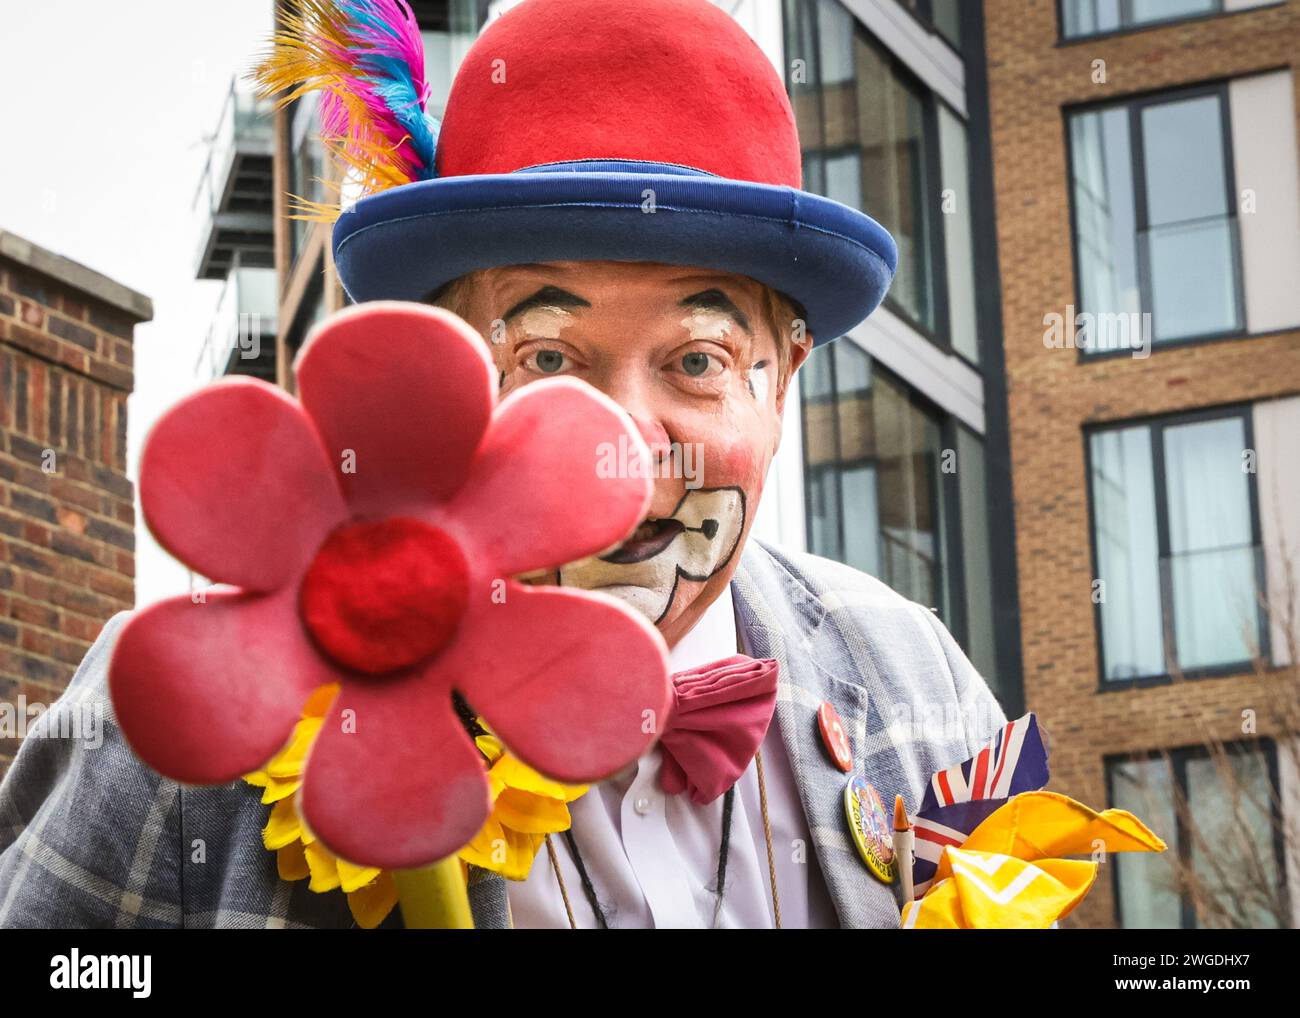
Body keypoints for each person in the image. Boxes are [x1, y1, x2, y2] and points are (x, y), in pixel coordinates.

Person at [0, 0, 1005, 928]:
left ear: (779, 381)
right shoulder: (178, 700)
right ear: (445, 373)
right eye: (547, 359)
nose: (620, 444)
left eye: (697, 361)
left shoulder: (918, 684)